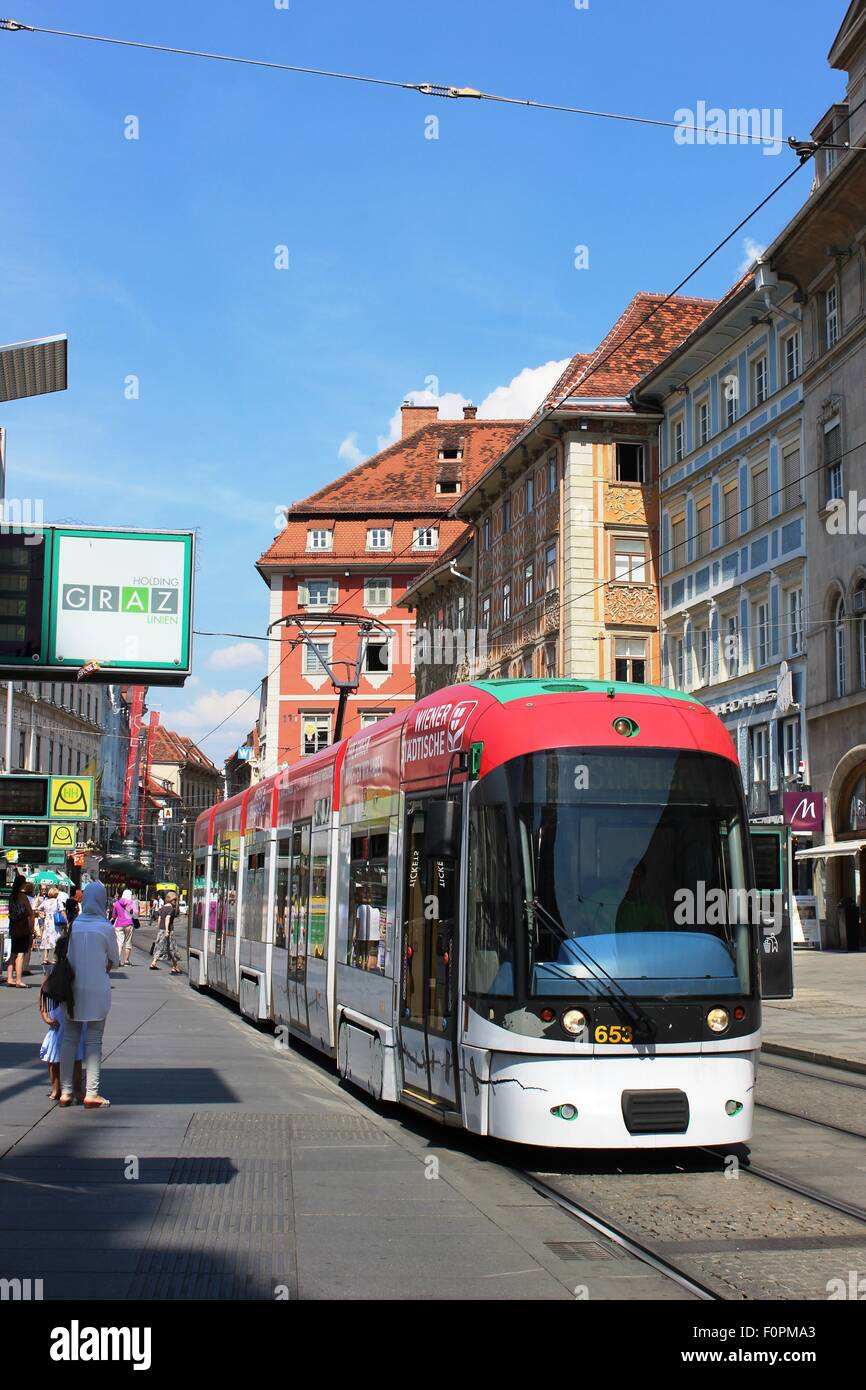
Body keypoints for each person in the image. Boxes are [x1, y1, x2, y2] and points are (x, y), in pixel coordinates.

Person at [58, 880, 119, 1108]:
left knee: (69, 1038)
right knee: (94, 1041)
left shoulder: (74, 925)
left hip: (71, 989)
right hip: (97, 990)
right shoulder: (105, 927)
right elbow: (114, 960)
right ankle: (91, 1093)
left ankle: (65, 1092)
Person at [39, 963, 85, 1103]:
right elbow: (43, 992)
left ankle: (64, 1088)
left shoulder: (61, 971)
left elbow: (42, 992)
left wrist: (44, 1014)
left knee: (61, 1058)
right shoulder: (56, 970)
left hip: (66, 1017)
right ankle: (67, 1089)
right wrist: (44, 1014)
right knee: (70, 1057)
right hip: (62, 1017)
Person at [5, 874, 35, 989]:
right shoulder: (23, 896)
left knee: (13, 953)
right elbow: (30, 913)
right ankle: (18, 980)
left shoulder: (11, 896)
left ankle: (9, 978)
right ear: (23, 884)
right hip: (23, 928)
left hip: (13, 927)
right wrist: (31, 928)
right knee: (21, 954)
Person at [150, 893, 181, 974]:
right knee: (172, 948)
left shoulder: (163, 907)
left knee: (159, 946)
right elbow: (167, 919)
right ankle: (175, 967)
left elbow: (160, 918)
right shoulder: (171, 908)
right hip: (168, 931)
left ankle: (154, 962)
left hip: (161, 930)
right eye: (175, 900)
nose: (175, 902)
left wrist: (159, 927)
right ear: (171, 900)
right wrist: (167, 930)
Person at [39, 887, 67, 970]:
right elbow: (62, 911)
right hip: (55, 922)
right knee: (56, 938)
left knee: (46, 938)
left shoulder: (45, 901)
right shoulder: (58, 901)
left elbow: (38, 908)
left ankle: (45, 958)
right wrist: (66, 920)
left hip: (47, 921)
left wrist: (41, 913)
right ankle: (55, 958)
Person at [111, 889, 135, 966]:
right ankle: (126, 961)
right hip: (129, 923)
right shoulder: (131, 903)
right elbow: (134, 913)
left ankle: (117, 960)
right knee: (128, 941)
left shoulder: (117, 903)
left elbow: (114, 915)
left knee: (119, 942)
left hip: (119, 924)